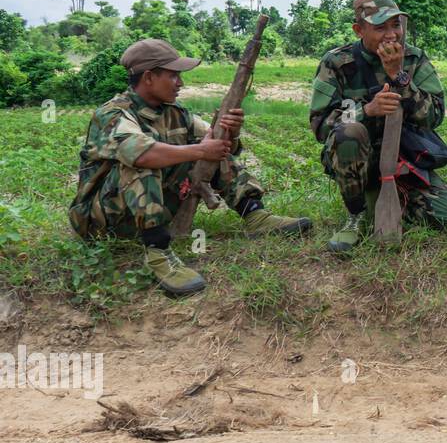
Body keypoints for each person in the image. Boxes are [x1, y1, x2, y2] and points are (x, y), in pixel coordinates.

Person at [69, 39, 311, 297]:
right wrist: (200, 150)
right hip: (103, 220)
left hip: (145, 209)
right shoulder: (114, 114)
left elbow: (214, 144)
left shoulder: (176, 112)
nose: (180, 83)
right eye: (173, 76)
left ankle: (254, 214)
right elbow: (140, 153)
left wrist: (230, 133)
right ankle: (159, 254)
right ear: (149, 77)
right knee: (142, 159)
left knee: (209, 143)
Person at [309, 0, 447, 252]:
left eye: (396, 25)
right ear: (359, 30)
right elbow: (321, 125)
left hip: (404, 161)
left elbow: (434, 116)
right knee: (350, 132)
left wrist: (399, 77)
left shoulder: (414, 59)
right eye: (380, 27)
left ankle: (388, 195)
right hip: (359, 159)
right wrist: (367, 111)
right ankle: (356, 214)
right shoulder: (336, 62)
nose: (392, 34)